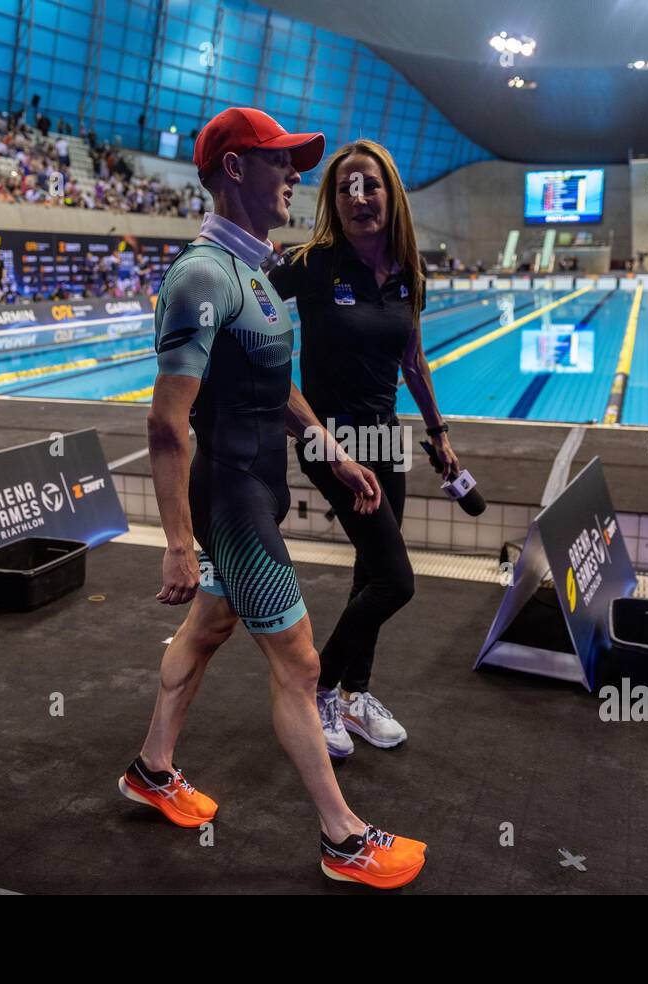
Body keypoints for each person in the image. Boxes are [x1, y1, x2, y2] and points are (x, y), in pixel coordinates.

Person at [123, 107, 426, 889]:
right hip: (230, 499)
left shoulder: (253, 270)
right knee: (298, 661)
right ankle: (342, 836)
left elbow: (274, 384)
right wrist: (180, 540)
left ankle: (152, 769)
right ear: (234, 169)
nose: (296, 175)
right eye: (280, 161)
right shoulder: (201, 275)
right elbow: (165, 421)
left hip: (259, 484)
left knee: (210, 628)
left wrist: (333, 453)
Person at [269, 140, 458, 758]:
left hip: (386, 436)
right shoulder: (316, 263)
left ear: (390, 194)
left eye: (369, 185)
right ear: (333, 201)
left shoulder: (408, 269)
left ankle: (354, 694)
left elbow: (413, 358)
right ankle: (315, 690)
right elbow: (243, 304)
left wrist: (437, 433)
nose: (358, 197)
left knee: (371, 570)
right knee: (397, 581)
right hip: (332, 438)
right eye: (346, 187)